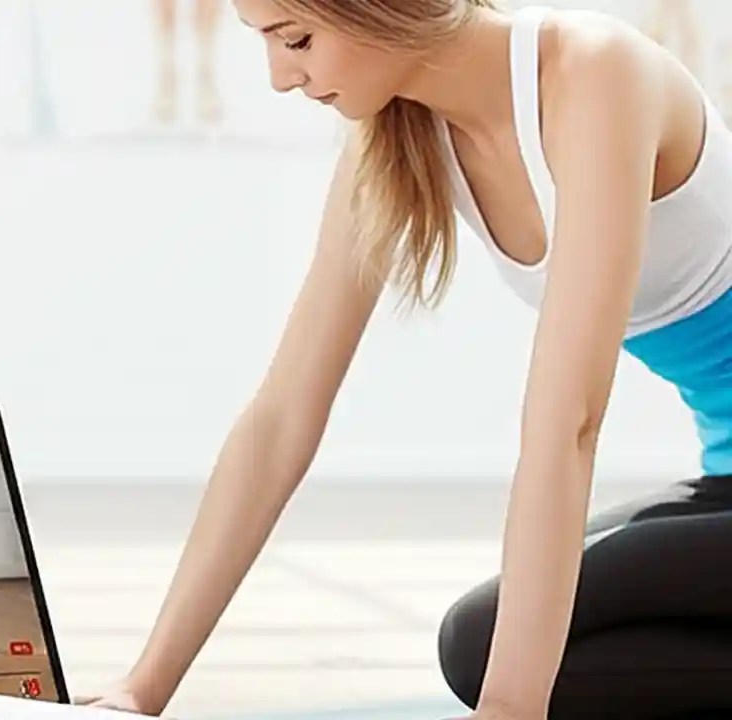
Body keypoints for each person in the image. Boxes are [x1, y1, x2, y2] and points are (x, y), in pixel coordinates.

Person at [79, 1, 732, 718]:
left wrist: (509, 712)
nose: (278, 77)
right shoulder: (399, 140)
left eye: (295, 39)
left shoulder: (594, 72)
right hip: (723, 482)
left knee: (503, 653)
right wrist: (142, 691)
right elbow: (282, 417)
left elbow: (567, 421)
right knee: (484, 641)